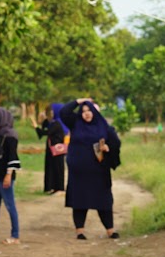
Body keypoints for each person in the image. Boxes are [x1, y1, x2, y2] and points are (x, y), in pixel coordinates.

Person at [61, 98, 120, 239]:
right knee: (80, 200)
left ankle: (110, 230)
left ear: (94, 112)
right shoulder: (75, 124)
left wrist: (108, 148)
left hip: (99, 171)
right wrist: (79, 101)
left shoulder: (103, 127)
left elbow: (115, 143)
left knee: (103, 200)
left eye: (89, 110)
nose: (86, 113)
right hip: (79, 172)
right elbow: (64, 112)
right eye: (83, 111)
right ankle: (80, 231)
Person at [0, 105, 22, 244]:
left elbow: (12, 157)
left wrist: (9, 175)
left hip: (6, 176)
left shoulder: (11, 136)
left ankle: (15, 235)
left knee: (10, 205)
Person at [39, 103, 68, 195]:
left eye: (52, 111)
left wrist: (37, 126)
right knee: (50, 167)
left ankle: (59, 187)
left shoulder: (59, 123)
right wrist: (42, 120)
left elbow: (47, 132)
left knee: (58, 167)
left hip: (58, 148)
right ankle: (51, 186)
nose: (50, 113)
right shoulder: (52, 122)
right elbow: (44, 129)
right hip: (51, 147)